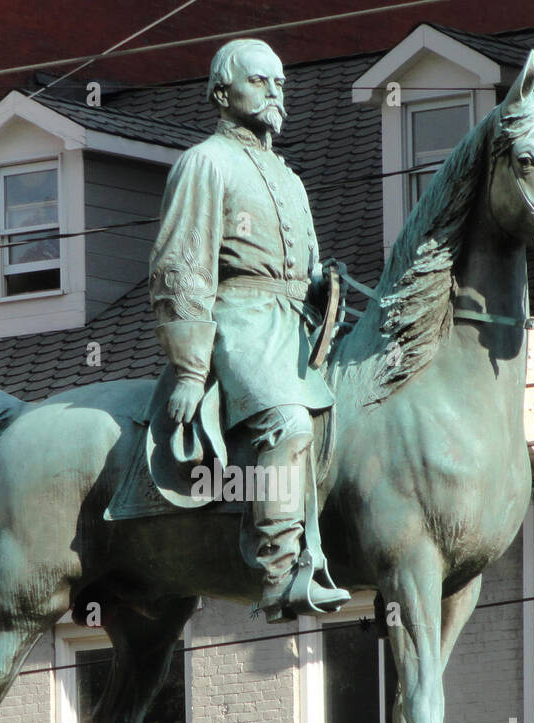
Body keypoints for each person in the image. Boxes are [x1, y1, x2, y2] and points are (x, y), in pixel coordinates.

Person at [149, 38, 351, 622]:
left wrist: (324, 288)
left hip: (299, 326)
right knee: (285, 421)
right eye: (260, 81)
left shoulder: (289, 177)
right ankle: (280, 570)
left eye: (279, 83)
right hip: (240, 322)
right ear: (222, 91)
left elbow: (306, 262)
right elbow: (180, 268)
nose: (274, 92)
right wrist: (190, 366)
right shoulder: (204, 162)